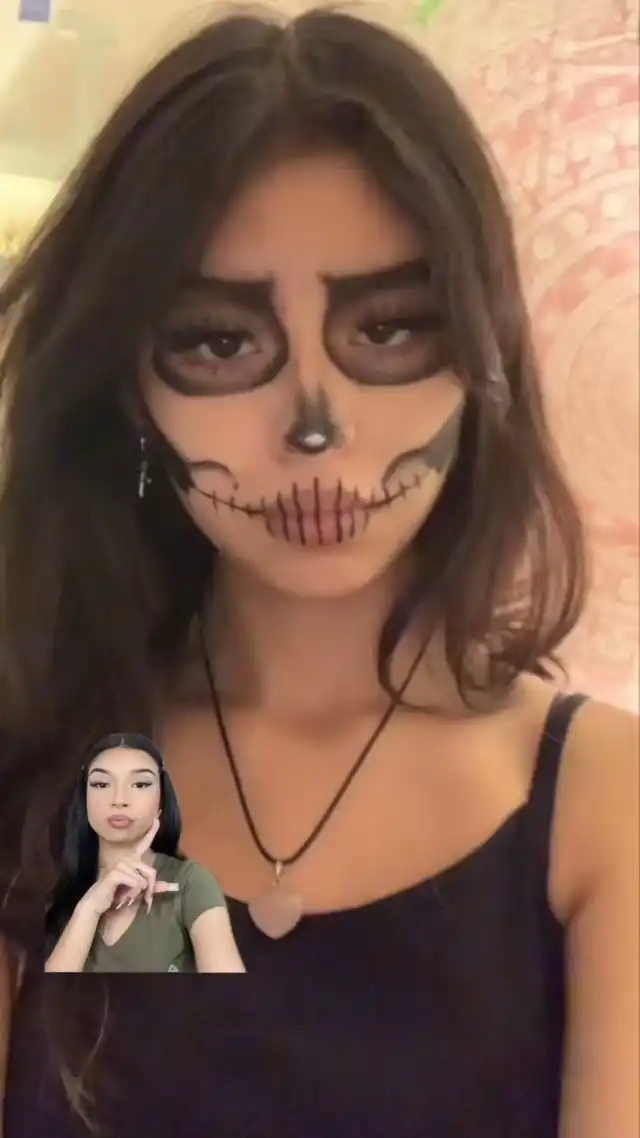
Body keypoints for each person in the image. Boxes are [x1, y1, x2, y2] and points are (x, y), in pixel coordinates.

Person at [0, 8, 637, 1138]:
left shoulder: (603, 806)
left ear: (482, 351)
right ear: (126, 385)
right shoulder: (33, 758)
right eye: (220, 340)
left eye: (388, 329)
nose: (313, 427)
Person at [44, 733, 246, 973]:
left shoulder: (190, 882)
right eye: (101, 784)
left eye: (140, 785)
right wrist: (88, 908)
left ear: (161, 802)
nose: (119, 800)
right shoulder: (54, 894)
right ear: (84, 799)